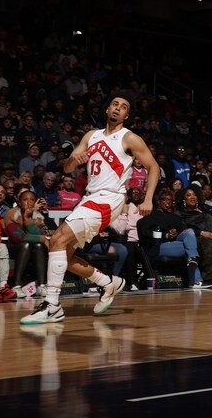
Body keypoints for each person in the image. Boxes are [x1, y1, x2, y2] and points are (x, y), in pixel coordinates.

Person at [21, 90, 159, 325]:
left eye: (123, 106)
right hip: (89, 198)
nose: (117, 108)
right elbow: (66, 169)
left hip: (110, 198)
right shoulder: (91, 136)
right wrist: (75, 160)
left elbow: (153, 167)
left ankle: (52, 305)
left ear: (126, 115)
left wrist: (148, 199)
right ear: (107, 109)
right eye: (114, 104)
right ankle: (108, 282)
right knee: (63, 254)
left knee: (56, 240)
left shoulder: (129, 138)